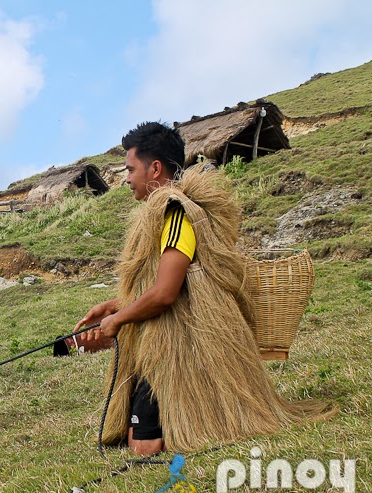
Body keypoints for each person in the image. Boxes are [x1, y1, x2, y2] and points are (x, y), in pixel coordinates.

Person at [72, 122, 330, 456]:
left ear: (155, 168)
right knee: (136, 436)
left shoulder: (176, 214)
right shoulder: (162, 216)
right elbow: (161, 284)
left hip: (181, 344)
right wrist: (116, 305)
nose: (127, 179)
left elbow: (166, 293)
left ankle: (191, 414)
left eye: (131, 169)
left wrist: (119, 320)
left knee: (142, 446)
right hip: (164, 339)